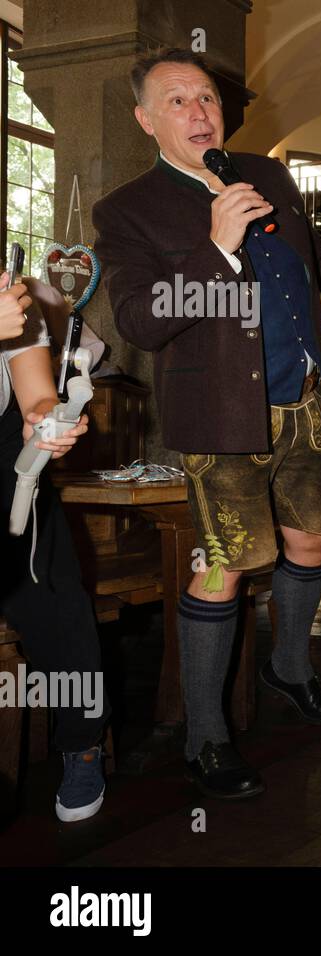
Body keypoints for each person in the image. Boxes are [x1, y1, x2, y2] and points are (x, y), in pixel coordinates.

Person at [92, 49, 321, 800]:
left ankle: (289, 665)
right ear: (145, 121)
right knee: (226, 566)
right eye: (177, 102)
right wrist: (216, 247)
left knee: (313, 541)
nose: (199, 111)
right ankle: (205, 736)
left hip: (304, 399)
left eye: (206, 97)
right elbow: (139, 321)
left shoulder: (267, 175)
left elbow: (317, 260)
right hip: (222, 417)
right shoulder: (127, 210)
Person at [0, 272, 103, 821]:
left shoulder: (13, 299)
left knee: (52, 587)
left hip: (3, 462)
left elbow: (37, 395)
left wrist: (46, 423)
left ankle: (82, 742)